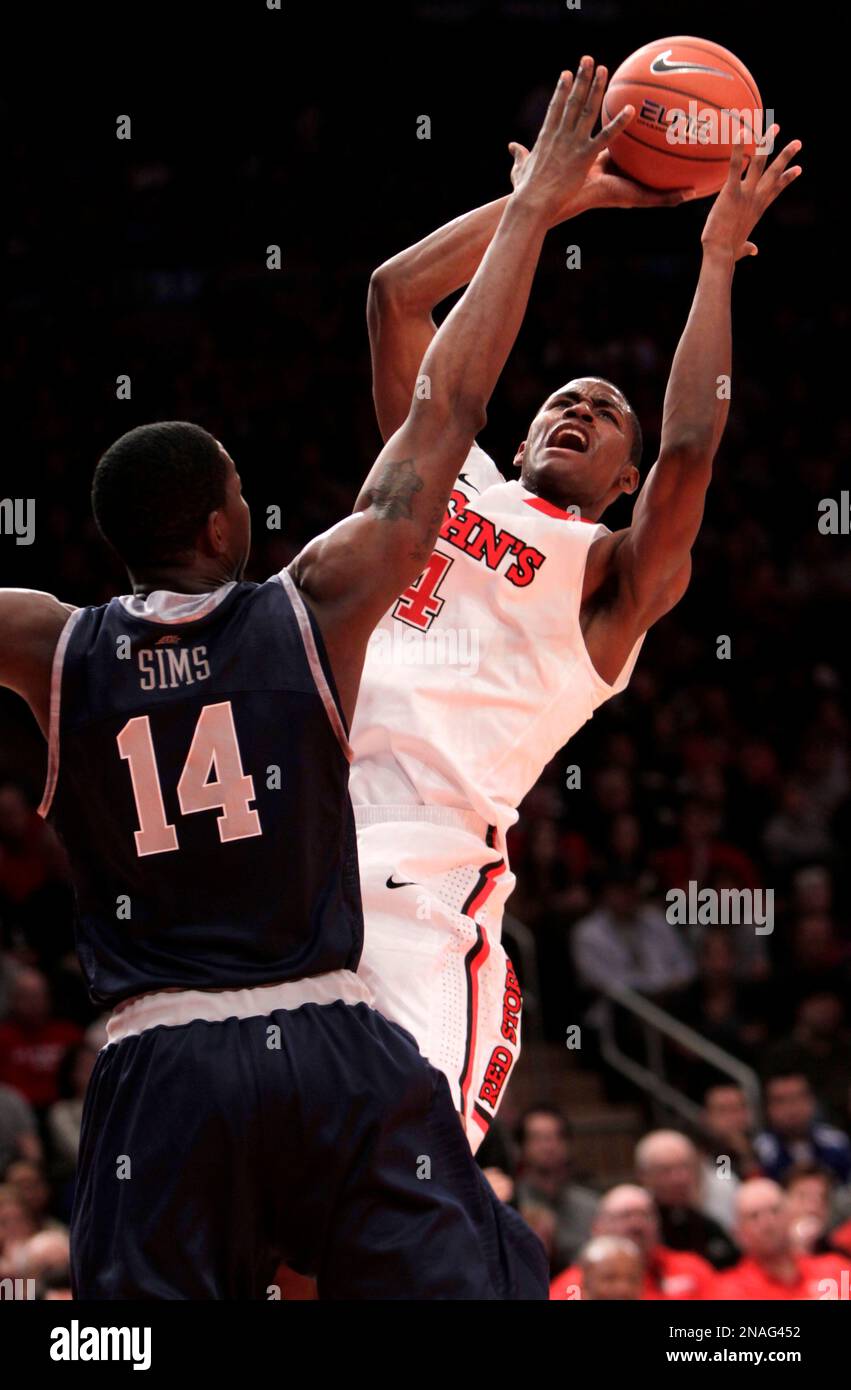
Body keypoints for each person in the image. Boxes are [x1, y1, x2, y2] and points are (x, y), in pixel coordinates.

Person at [0, 65, 622, 1298]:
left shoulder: (50, 646)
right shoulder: (306, 614)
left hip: (155, 1058)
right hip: (325, 1034)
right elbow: (443, 406)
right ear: (232, 530)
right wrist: (536, 210)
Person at [351, 74, 802, 1146]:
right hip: (298, 824)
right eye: (561, 400)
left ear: (620, 481)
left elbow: (692, 446)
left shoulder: (608, 578)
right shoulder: (443, 478)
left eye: (604, 414)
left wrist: (716, 255)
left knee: (404, 1185)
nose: (578, 408)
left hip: (425, 872)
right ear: (514, 440)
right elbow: (394, 297)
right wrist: (546, 203)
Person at [549, 1184, 715, 1301]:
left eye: (645, 1215)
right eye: (625, 1216)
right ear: (597, 1228)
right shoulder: (573, 1285)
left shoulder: (693, 1268)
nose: (637, 1225)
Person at [715, 1178, 850, 1300]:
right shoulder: (728, 1292)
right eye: (754, 1216)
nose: (767, 1223)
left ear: (790, 1215)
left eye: (775, 1211)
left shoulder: (836, 1269)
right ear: (738, 1233)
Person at [635, 1130, 739, 1268]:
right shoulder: (637, 1228)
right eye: (666, 1170)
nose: (679, 1179)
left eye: (684, 1167)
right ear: (644, 1176)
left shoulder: (710, 1225)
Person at [754, 1071, 851, 1186]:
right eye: (781, 1101)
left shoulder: (837, 1142)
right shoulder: (759, 1150)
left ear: (812, 1101)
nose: (791, 1108)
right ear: (768, 1108)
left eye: (798, 1098)